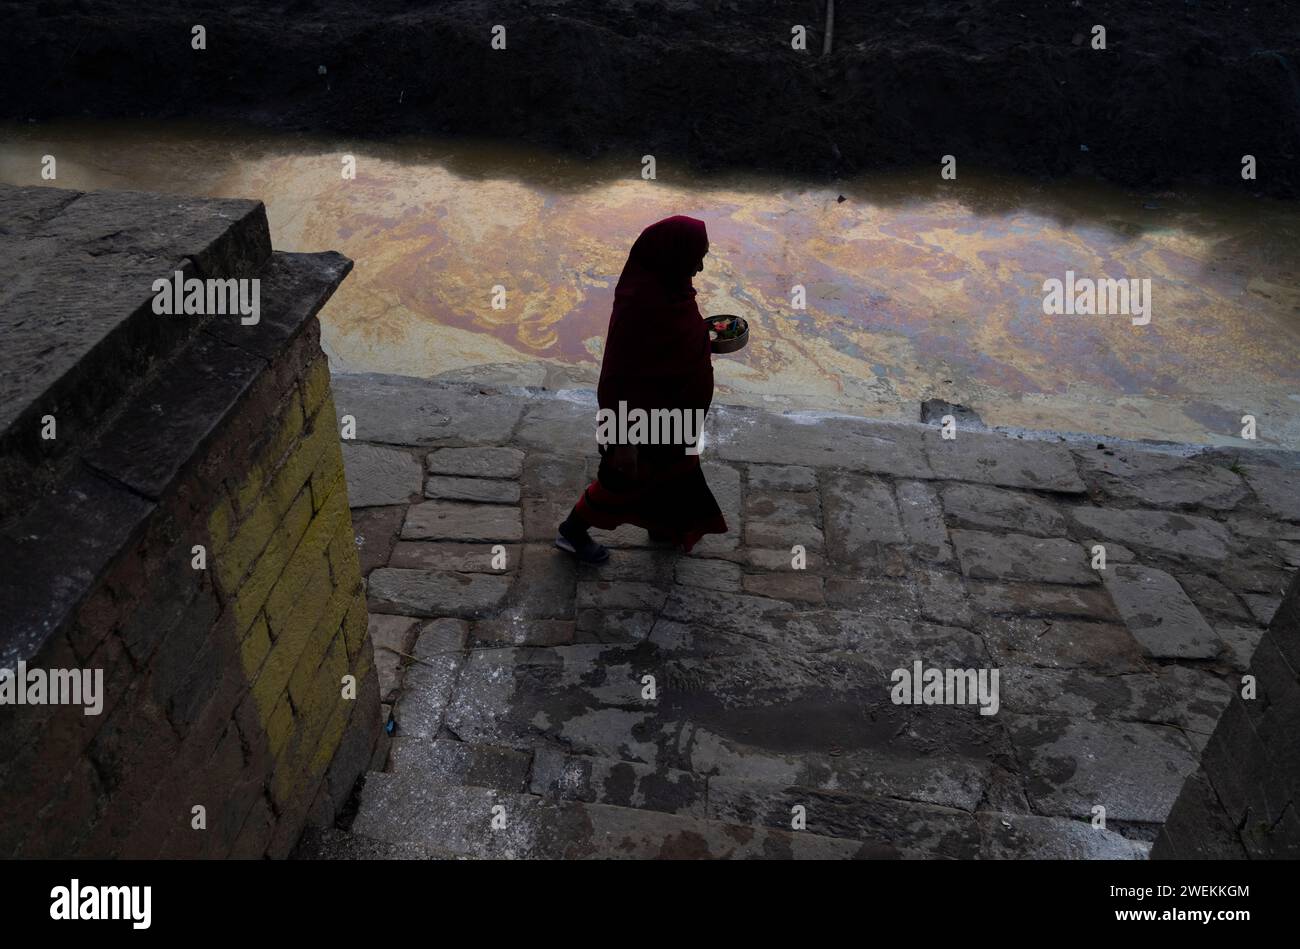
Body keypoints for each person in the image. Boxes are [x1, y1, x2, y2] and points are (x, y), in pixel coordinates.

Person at [555, 215, 728, 563]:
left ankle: (664, 526)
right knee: (620, 482)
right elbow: (618, 376)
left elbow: (672, 342)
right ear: (674, 256)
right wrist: (622, 441)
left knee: (676, 475)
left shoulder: (670, 287)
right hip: (641, 422)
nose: (700, 267)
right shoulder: (641, 306)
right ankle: (572, 533)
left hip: (674, 418)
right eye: (696, 257)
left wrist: (701, 339)